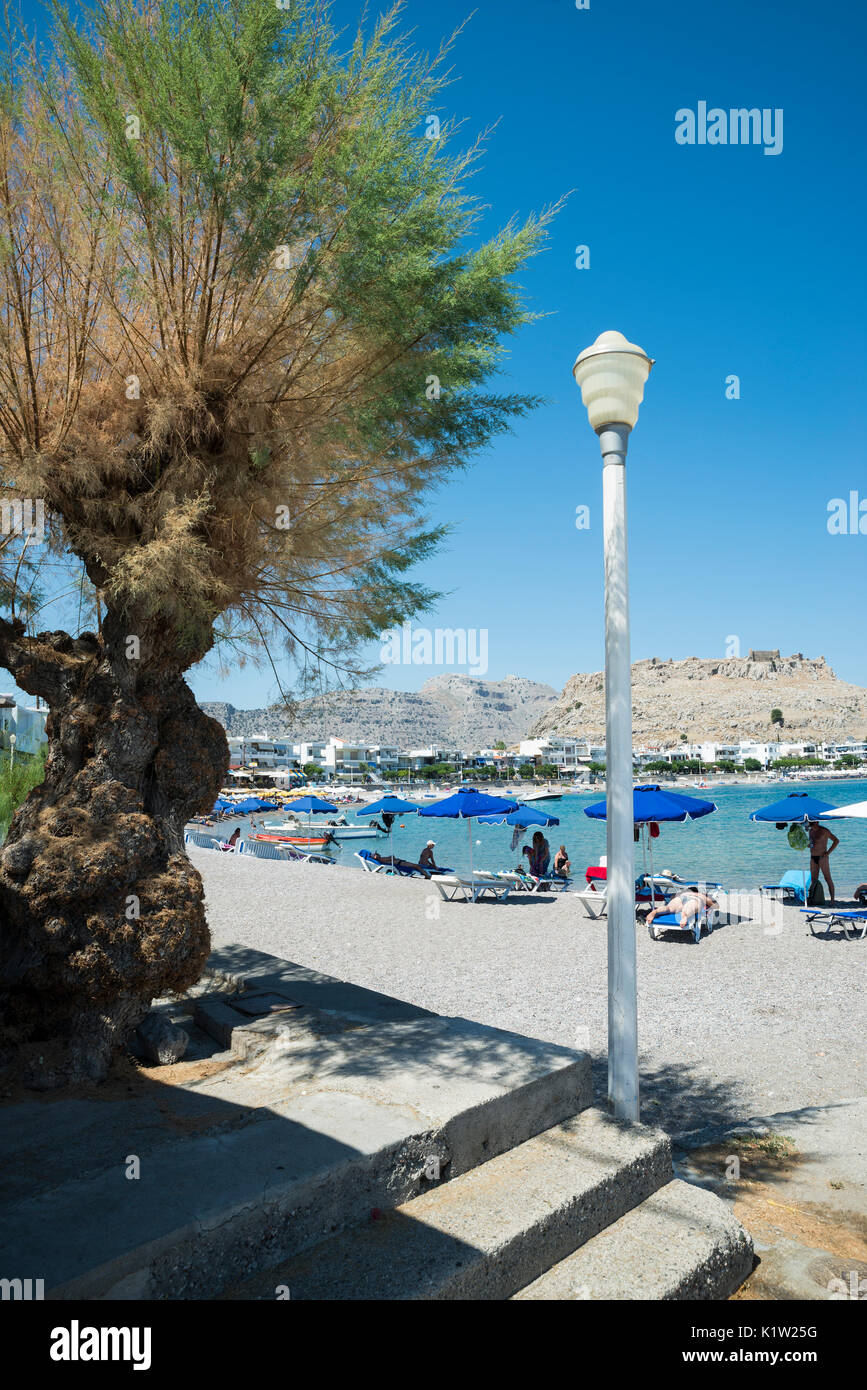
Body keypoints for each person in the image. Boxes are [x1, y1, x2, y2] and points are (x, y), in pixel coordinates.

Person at [646, 889, 716, 927]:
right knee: (689, 907)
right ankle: (685, 916)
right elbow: (709, 902)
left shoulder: (683, 893)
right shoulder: (699, 895)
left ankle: (655, 911)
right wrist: (713, 905)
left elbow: (672, 897)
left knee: (669, 908)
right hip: (694, 899)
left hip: (680, 898)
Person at [808, 820, 839, 902]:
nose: (811, 826)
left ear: (817, 822)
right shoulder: (810, 831)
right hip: (813, 857)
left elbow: (836, 840)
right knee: (814, 879)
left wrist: (828, 852)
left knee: (827, 878)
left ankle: (832, 900)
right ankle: (814, 899)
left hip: (822, 857)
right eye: (810, 824)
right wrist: (808, 845)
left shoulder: (824, 831)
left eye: (812, 824)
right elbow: (811, 843)